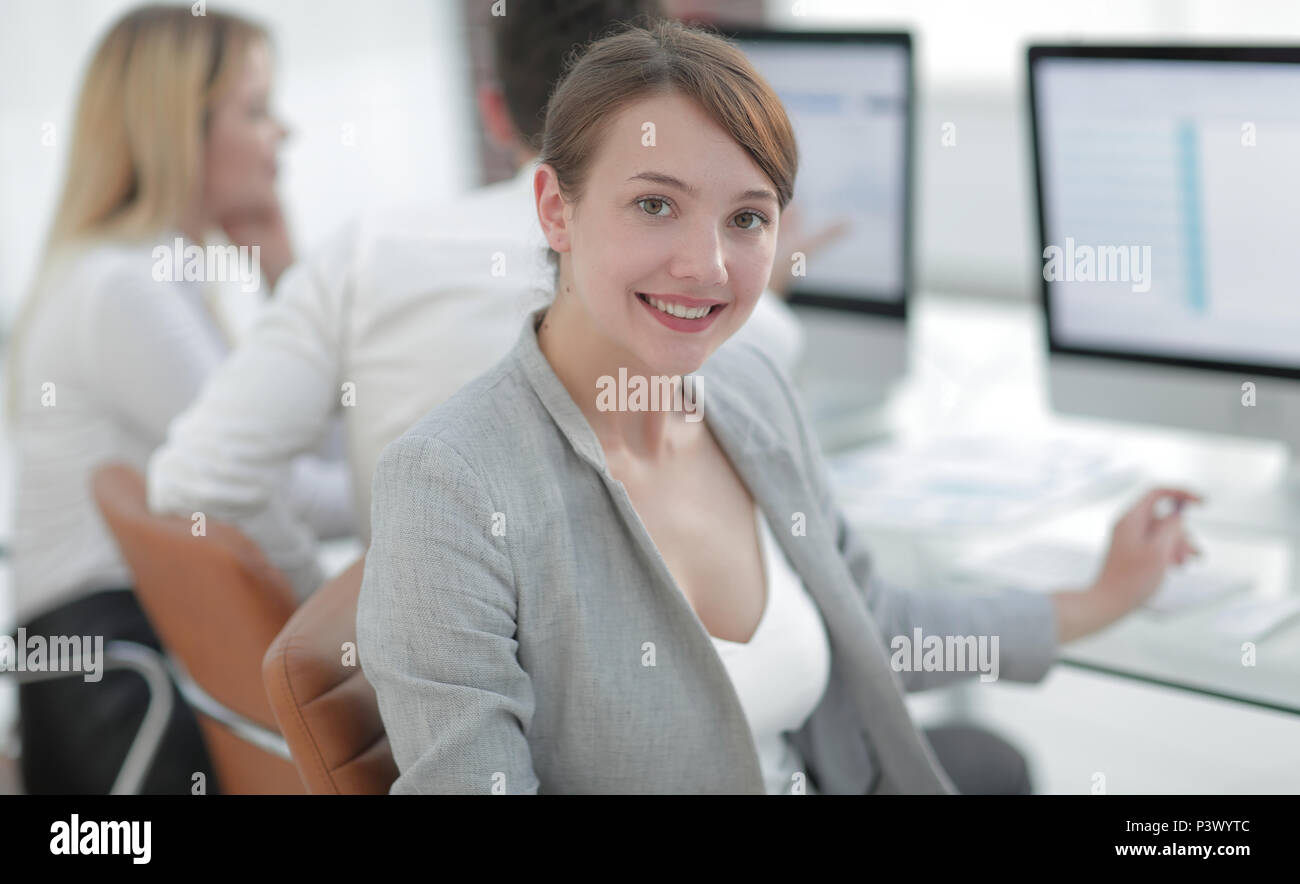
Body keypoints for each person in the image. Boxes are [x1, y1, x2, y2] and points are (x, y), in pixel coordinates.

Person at [356, 20, 1202, 795]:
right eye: (656, 205)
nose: (707, 265)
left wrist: (1095, 599)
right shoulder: (452, 487)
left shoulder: (751, 390)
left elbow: (870, 627)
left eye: (747, 219)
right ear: (556, 209)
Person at [146, 0, 806, 599]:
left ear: (493, 112)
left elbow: (200, 480)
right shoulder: (728, 312)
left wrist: (337, 617)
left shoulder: (367, 250)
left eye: (748, 218)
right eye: (654, 205)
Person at [5, 5, 351, 794]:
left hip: (119, 663)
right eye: (258, 111)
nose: (283, 135)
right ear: (179, 130)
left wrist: (285, 280)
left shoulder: (151, 273)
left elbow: (315, 454)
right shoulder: (126, 287)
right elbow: (288, 485)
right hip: (120, 679)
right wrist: (431, 502)